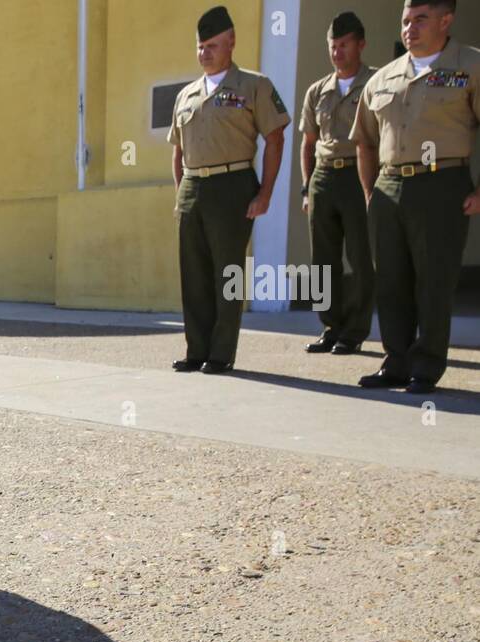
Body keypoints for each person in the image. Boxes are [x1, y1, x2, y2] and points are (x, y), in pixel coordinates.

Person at [351, 0, 480, 395]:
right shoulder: (383, 77)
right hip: (390, 187)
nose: (410, 28)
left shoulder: (471, 65)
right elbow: (364, 141)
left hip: (442, 183)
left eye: (421, 19)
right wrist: (372, 191)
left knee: (434, 281)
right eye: (406, 20)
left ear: (446, 20)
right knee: (390, 280)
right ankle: (396, 361)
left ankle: (426, 366)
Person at [167, 5, 290, 375]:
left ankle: (221, 353)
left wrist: (264, 193)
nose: (205, 53)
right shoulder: (186, 94)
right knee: (195, 274)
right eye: (201, 46)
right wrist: (181, 194)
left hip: (232, 184)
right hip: (193, 186)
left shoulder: (254, 85)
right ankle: (196, 350)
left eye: (212, 45)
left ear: (232, 42)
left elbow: (276, 137)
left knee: (227, 273)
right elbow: (177, 150)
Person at [299, 12, 377, 356]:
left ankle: (355, 330)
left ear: (360, 44)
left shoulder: (377, 82)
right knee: (322, 259)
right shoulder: (318, 90)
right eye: (333, 45)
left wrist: (374, 187)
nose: (337, 51)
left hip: (358, 175)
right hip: (324, 177)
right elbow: (308, 142)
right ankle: (330, 326)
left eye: (344, 44)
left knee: (361, 256)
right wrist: (307, 187)